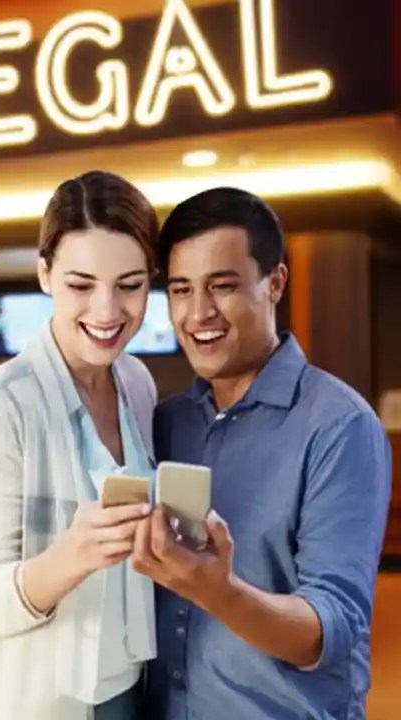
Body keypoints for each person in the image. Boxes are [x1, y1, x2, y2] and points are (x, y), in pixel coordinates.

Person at [133, 187, 392, 719]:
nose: (198, 313)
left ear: (275, 282)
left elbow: (331, 630)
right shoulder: (166, 423)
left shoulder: (339, 426)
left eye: (222, 286)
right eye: (180, 290)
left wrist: (220, 591)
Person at [0, 171, 161, 720]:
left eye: (129, 286)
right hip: (37, 699)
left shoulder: (138, 383)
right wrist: (72, 557)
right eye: (81, 285)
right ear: (44, 274)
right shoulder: (5, 403)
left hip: (128, 689)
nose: (107, 312)